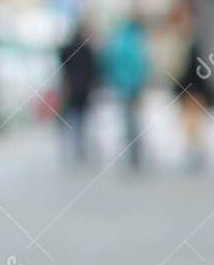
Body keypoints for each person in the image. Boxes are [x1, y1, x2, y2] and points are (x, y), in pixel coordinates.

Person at [168, 0, 214, 171]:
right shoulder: (183, 41)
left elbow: (196, 69)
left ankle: (197, 155)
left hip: (194, 91)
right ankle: (194, 154)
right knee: (190, 127)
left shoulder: (194, 41)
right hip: (187, 91)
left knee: (194, 126)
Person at [102, 17, 150, 170]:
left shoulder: (118, 43)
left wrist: (116, 82)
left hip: (122, 87)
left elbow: (110, 65)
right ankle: (135, 151)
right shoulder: (135, 43)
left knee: (127, 119)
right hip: (134, 87)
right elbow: (142, 65)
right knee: (134, 120)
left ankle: (131, 150)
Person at [56, 21, 97, 165]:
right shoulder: (87, 50)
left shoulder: (67, 49)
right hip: (83, 91)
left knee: (71, 119)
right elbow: (93, 72)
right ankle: (79, 148)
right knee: (81, 121)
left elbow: (61, 64)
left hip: (70, 90)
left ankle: (72, 148)